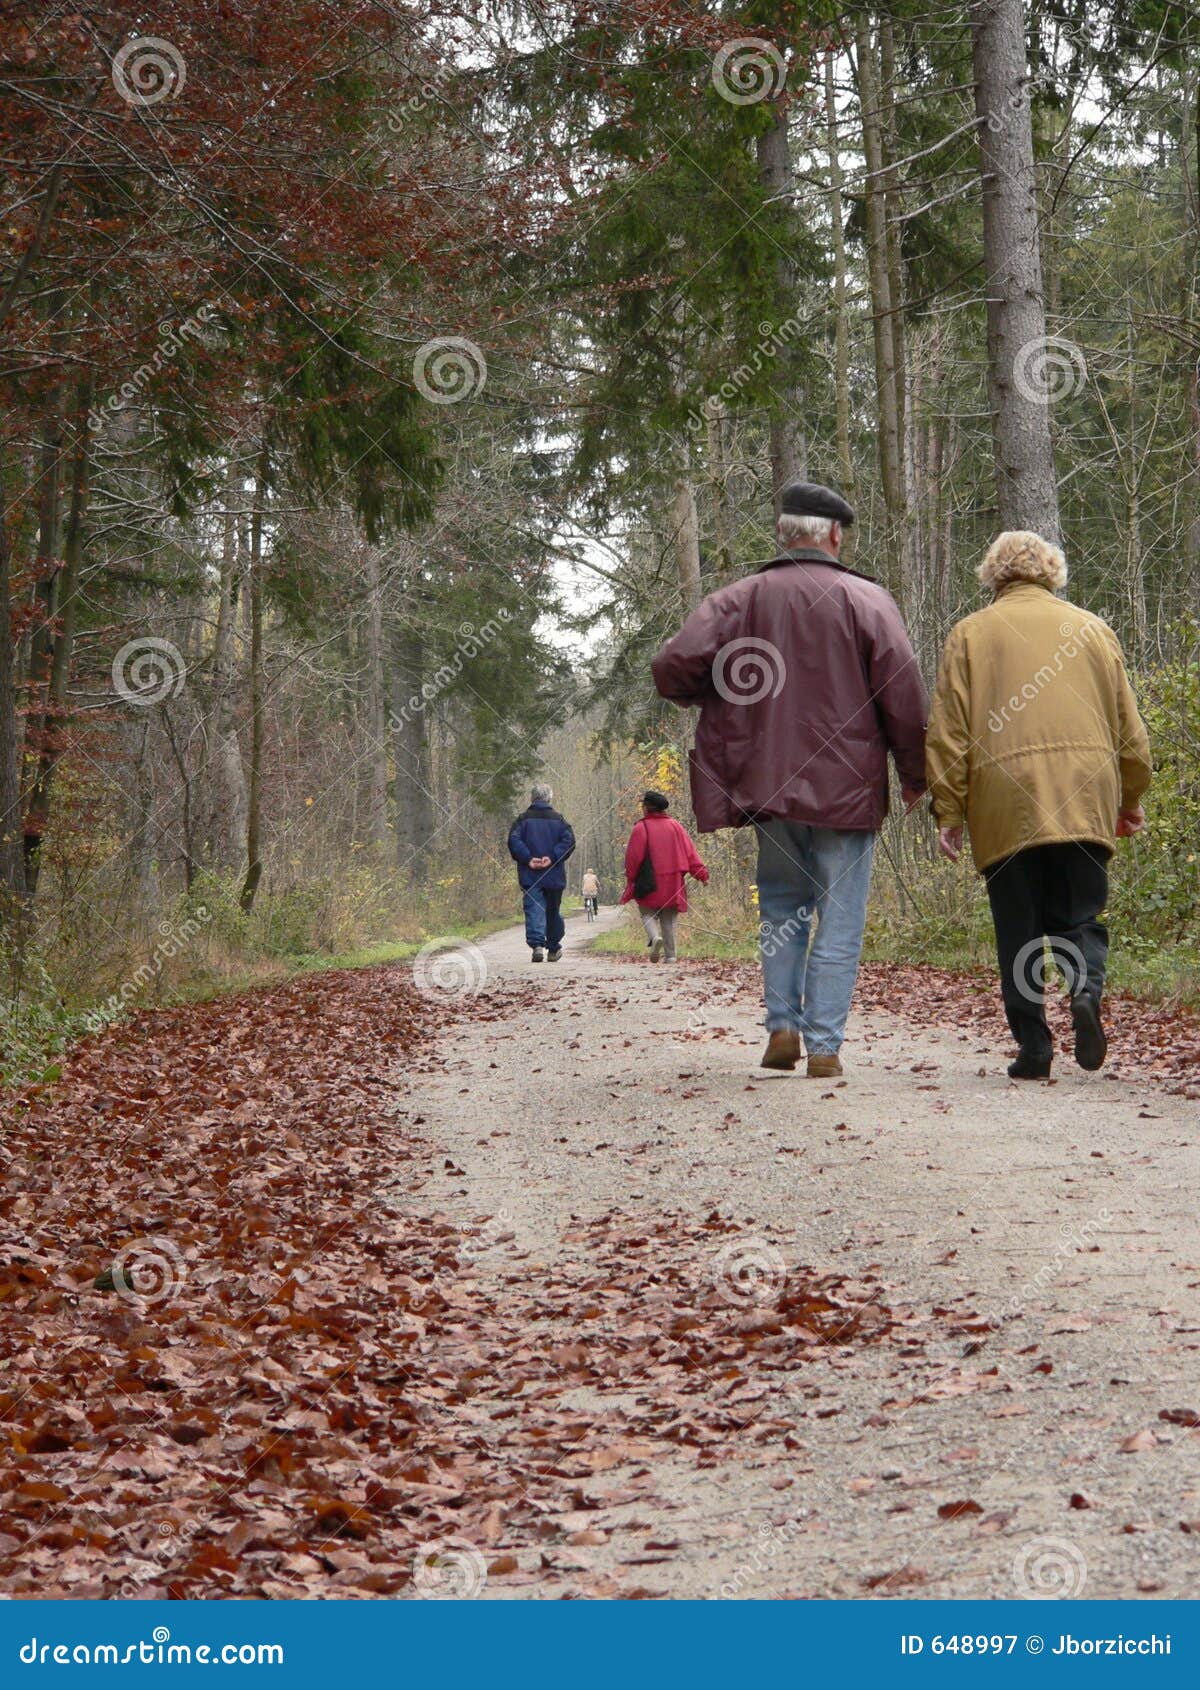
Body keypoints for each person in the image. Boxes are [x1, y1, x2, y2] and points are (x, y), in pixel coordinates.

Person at [652, 480, 928, 1077]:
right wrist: (915, 773)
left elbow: (672, 668)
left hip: (769, 785)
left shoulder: (739, 599)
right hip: (847, 790)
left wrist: (720, 690)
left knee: (781, 906)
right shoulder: (867, 601)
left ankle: (782, 1027)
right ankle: (824, 1045)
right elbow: (902, 692)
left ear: (783, 535)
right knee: (840, 911)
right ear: (833, 535)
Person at [926, 530, 1152, 1079]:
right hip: (1084, 788)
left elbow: (949, 731)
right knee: (1078, 915)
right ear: (1051, 570)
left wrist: (950, 810)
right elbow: (1130, 728)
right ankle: (1085, 992)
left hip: (1004, 799)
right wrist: (1131, 795)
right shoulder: (1094, 631)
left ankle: (1035, 1049)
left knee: (1019, 926)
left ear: (993, 574)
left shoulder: (970, 635)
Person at [619, 791, 708, 962]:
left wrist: (631, 877)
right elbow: (690, 853)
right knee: (669, 918)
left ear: (646, 808)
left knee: (647, 912)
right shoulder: (675, 826)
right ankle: (671, 956)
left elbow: (633, 857)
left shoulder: (641, 828)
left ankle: (655, 938)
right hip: (673, 880)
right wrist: (701, 874)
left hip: (648, 880)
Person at [507, 782, 576, 962]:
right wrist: (552, 857)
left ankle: (537, 945)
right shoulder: (559, 820)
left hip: (530, 875)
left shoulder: (522, 820)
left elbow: (514, 841)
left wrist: (528, 858)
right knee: (553, 911)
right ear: (549, 798)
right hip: (554, 876)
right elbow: (569, 841)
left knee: (534, 909)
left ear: (532, 798)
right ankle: (553, 948)